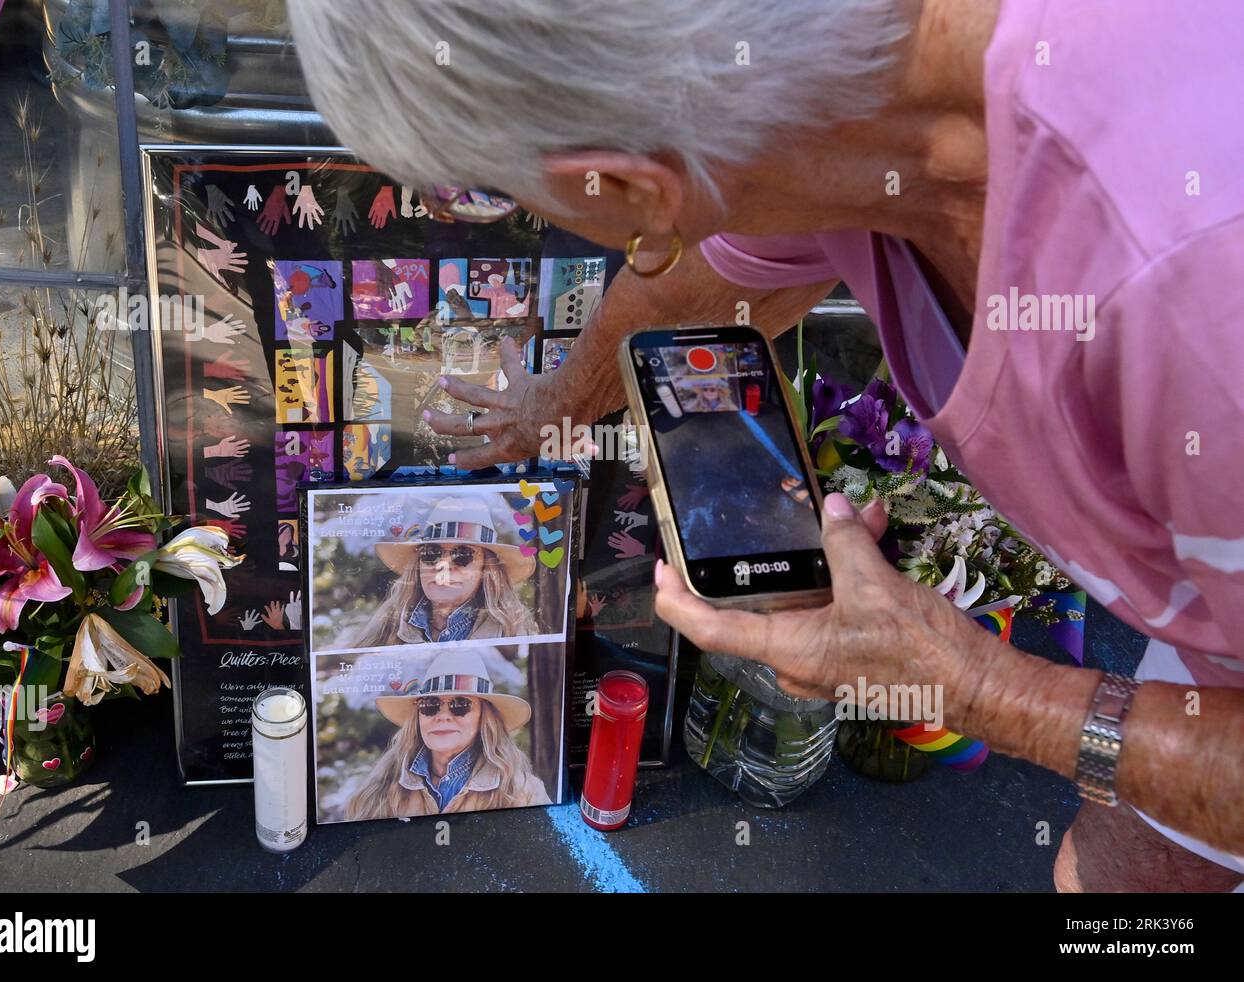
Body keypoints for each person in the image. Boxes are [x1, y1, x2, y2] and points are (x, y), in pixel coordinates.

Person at [289, 0, 1244, 890]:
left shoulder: (1193, 290)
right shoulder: (830, 113)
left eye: (498, 190)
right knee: (1121, 881)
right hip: (1208, 643)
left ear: (630, 187)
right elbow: (691, 289)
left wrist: (976, 688)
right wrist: (554, 404)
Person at [345, 649, 551, 818]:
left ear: (484, 718)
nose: (442, 716)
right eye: (430, 705)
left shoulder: (523, 792)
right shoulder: (381, 789)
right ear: (418, 717)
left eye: (460, 704)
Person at [338, 495, 539, 647]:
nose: (443, 565)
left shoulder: (516, 636)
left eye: (463, 555)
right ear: (418, 565)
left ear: (486, 569)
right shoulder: (384, 629)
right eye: (431, 553)